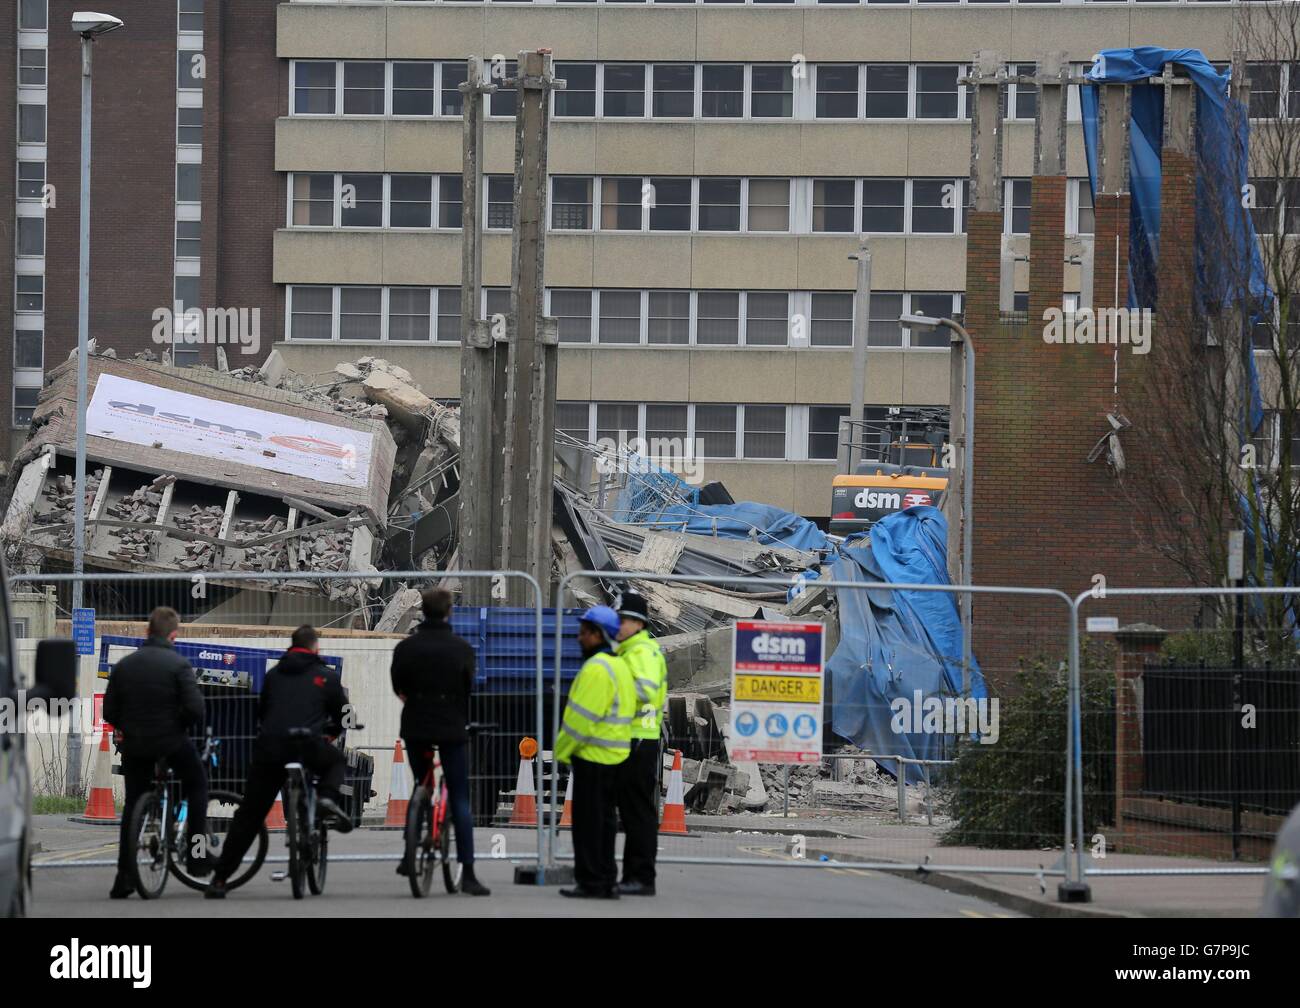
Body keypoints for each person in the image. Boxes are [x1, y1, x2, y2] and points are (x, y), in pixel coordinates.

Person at [206, 625, 353, 899]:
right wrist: (332, 733)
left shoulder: (273, 675)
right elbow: (343, 715)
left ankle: (220, 879)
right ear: (315, 648)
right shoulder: (326, 676)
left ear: (291, 646)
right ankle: (326, 799)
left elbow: (262, 713)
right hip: (309, 745)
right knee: (335, 762)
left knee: (249, 816)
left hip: (272, 750)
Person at [390, 587, 490, 897]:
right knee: (459, 797)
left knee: (422, 782)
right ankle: (469, 873)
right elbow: (467, 688)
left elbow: (399, 687)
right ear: (449, 613)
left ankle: (410, 854)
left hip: (416, 724)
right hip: (450, 727)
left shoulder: (406, 648)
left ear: (422, 611)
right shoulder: (461, 649)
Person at [104, 606, 209, 897]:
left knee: (133, 806)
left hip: (135, 744)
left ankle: (124, 878)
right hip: (170, 741)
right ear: (174, 635)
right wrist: (179, 726)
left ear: (147, 631)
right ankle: (198, 857)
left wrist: (127, 725)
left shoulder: (125, 665)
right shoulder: (178, 665)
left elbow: (109, 709)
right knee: (198, 785)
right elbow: (195, 708)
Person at [555, 606, 636, 900]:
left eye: (584, 632)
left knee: (589, 825)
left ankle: (591, 882)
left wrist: (562, 753)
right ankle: (606, 880)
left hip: (592, 757)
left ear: (597, 634)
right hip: (614, 757)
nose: (579, 638)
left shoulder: (597, 669)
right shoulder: (619, 667)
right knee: (604, 823)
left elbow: (580, 720)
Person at [612, 590, 667, 896]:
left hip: (638, 738)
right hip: (634, 738)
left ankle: (641, 877)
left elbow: (644, 691)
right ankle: (635, 875)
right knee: (634, 811)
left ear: (638, 622)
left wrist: (612, 692)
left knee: (637, 813)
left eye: (622, 620)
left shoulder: (641, 652)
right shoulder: (631, 650)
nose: (617, 625)